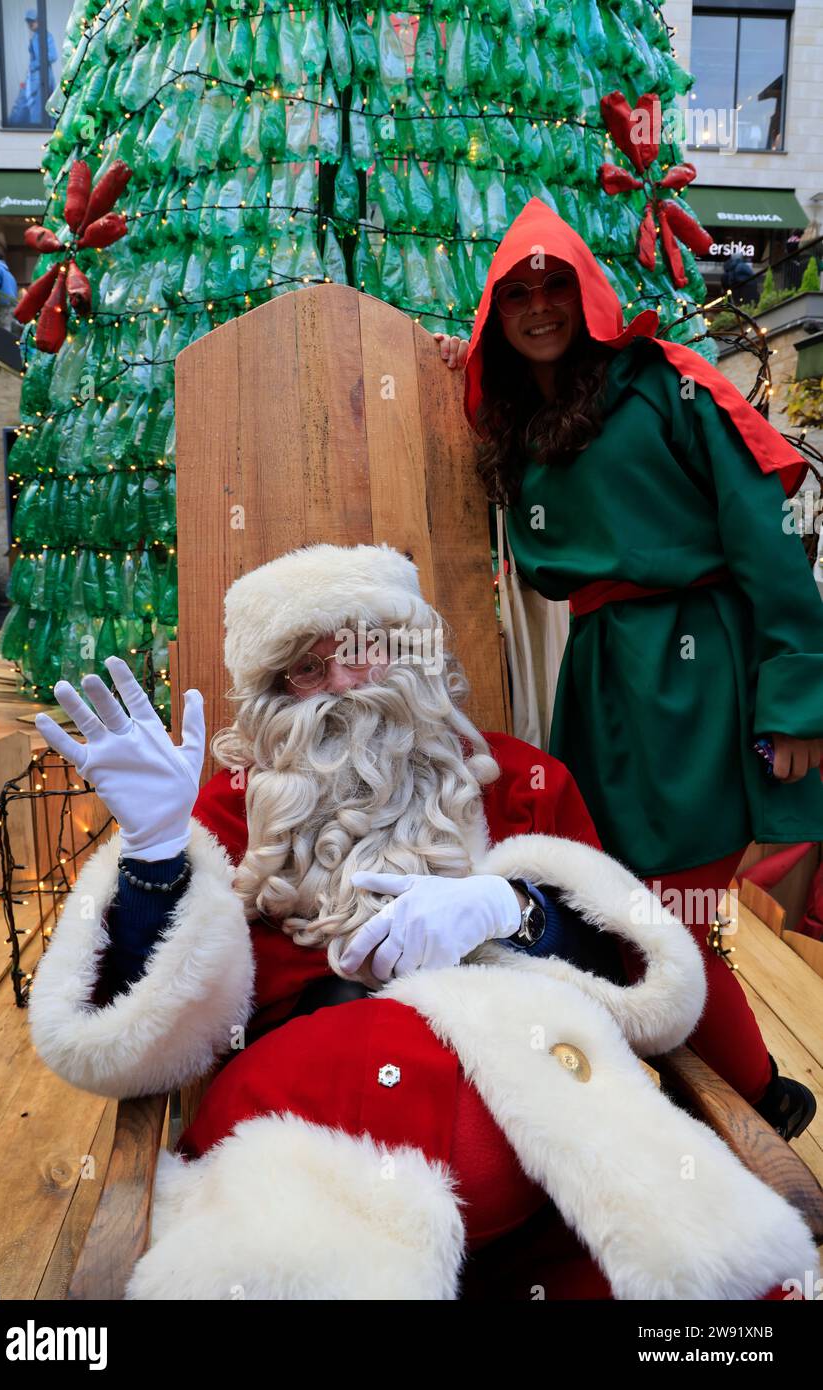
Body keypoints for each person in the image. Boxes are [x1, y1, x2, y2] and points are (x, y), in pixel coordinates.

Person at [27, 542, 815, 1299]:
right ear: (273, 698)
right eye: (305, 667)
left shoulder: (518, 782)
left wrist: (514, 911)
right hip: (309, 1137)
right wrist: (156, 857)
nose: (340, 682)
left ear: (413, 655)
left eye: (362, 648)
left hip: (547, 1138)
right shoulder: (234, 813)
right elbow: (136, 1027)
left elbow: (623, 966)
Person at [434, 196, 823, 1133]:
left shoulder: (667, 382)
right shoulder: (522, 417)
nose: (538, 306)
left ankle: (758, 1105)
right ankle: (723, 1101)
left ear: (587, 293)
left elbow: (764, 540)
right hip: (601, 672)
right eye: (515, 292)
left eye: (554, 285)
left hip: (696, 671)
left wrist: (799, 699)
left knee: (669, 912)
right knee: (615, 900)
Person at [8, 8, 58, 126]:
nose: (30, 24)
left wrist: (35, 65)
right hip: (35, 77)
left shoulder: (45, 36)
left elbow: (53, 55)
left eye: (33, 21)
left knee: (32, 104)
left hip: (42, 78)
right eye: (28, 21)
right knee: (32, 105)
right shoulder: (35, 37)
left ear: (38, 21)